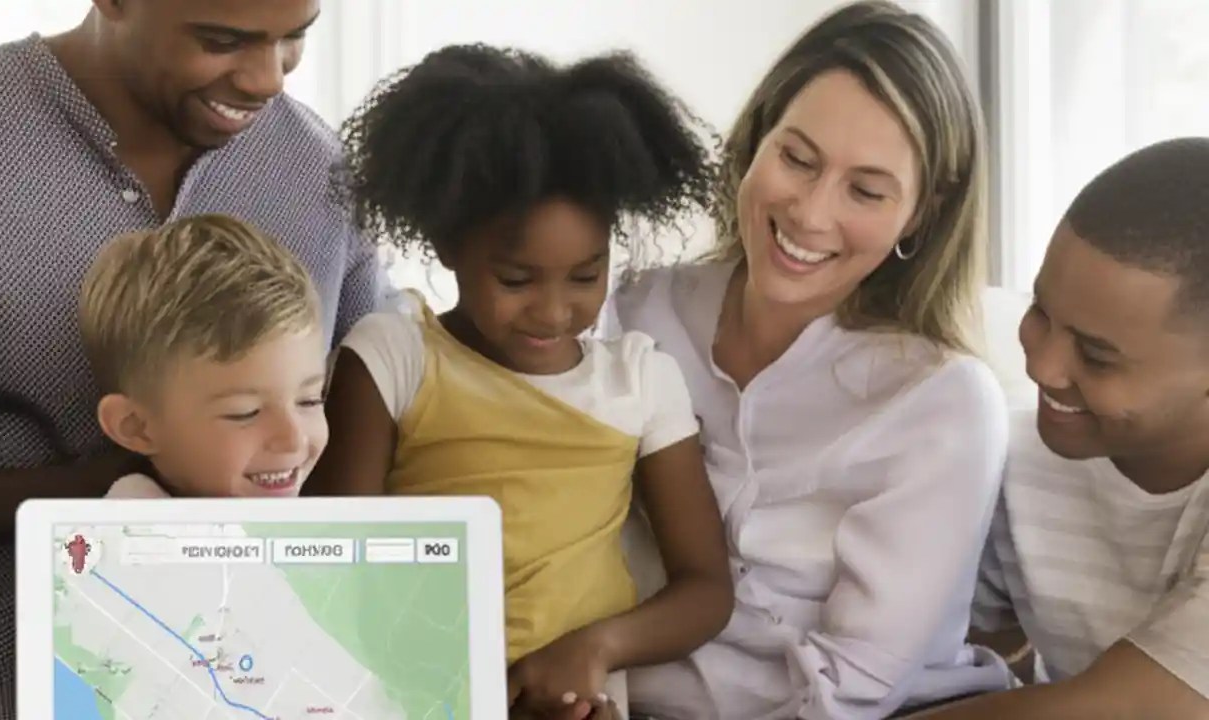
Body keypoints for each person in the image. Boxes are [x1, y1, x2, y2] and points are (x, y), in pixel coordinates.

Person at [0, 1, 381, 715]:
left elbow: (363, 485)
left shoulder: (325, 176)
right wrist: (121, 488)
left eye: (295, 37)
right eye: (222, 40)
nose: (268, 79)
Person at [307, 44, 734, 719]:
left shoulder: (643, 382)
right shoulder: (392, 357)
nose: (554, 311)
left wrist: (596, 649)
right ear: (447, 244)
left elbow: (706, 589)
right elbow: (331, 563)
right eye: (516, 280)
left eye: (586, 276)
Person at [613, 2, 1012, 717]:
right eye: (797, 159)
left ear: (923, 210)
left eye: (865, 190)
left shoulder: (941, 401)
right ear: (757, 137)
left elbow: (850, 693)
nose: (810, 214)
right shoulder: (637, 311)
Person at [913, 139, 1209, 719]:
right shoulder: (1011, 462)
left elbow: (1132, 711)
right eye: (1040, 313)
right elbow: (939, 657)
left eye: (1097, 357)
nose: (1043, 367)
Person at [79, 214, 329, 500]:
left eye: (310, 400)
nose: (293, 439)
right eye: (244, 412)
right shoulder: (131, 527)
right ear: (137, 427)